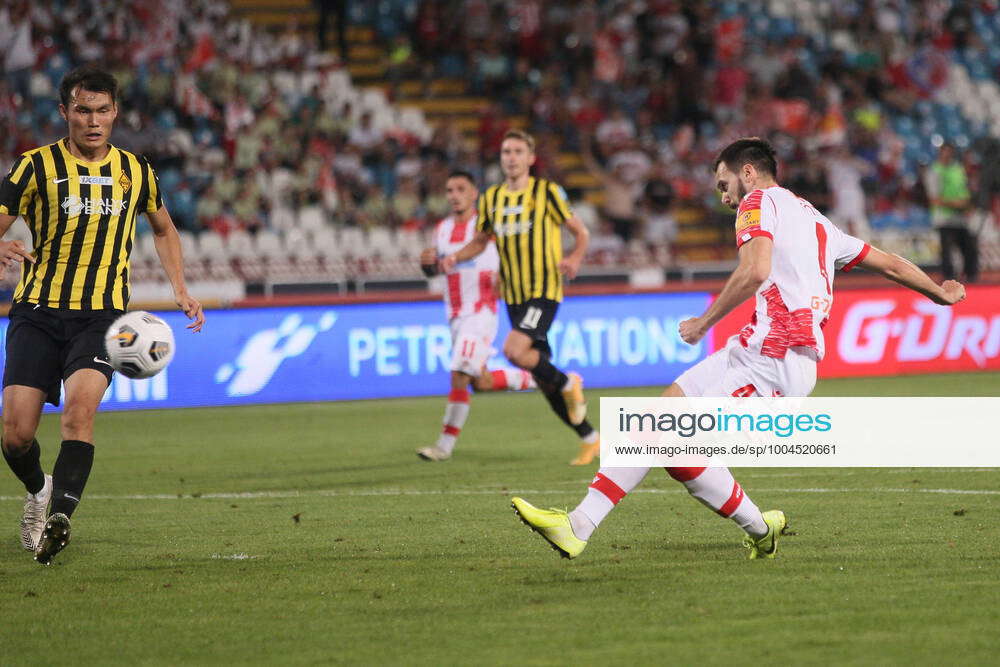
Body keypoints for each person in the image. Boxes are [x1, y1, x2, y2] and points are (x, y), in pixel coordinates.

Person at [512, 137, 966, 560]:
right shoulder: (816, 219)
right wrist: (938, 293)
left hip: (778, 358)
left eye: (724, 184)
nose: (724, 197)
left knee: (671, 442)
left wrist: (703, 322)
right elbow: (889, 263)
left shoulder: (756, 202)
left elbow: (755, 270)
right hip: (751, 348)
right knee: (657, 418)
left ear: (748, 172)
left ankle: (597, 525)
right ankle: (586, 525)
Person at [0, 66, 205, 565]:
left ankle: (60, 518)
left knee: (79, 414)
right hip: (37, 311)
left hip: (102, 316)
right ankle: (39, 490)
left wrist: (180, 288)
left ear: (115, 113)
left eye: (102, 111)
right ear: (65, 112)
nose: (93, 121)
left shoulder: (136, 170)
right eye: (83, 110)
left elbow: (164, 229)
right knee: (15, 434)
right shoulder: (34, 166)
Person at [441, 130, 599, 466]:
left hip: (543, 290)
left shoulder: (547, 192)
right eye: (506, 152)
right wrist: (455, 256)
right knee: (541, 378)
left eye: (517, 152)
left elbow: (580, 232)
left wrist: (574, 258)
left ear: (530, 158)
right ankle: (591, 438)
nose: (511, 158)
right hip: (513, 297)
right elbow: (481, 241)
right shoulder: (491, 199)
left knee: (514, 350)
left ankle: (568, 381)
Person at [416, 170, 536, 462]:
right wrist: (427, 265)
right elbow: (438, 269)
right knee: (479, 382)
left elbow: (509, 257)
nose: (454, 195)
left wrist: (505, 280)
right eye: (449, 190)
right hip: (455, 314)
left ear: (474, 194)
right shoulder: (442, 229)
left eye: (461, 189)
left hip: (481, 312)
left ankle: (443, 447)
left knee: (459, 373)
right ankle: (541, 377)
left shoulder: (487, 226)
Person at [925, 142, 977, 283]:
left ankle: (971, 276)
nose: (947, 155)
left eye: (950, 152)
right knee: (947, 251)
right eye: (945, 152)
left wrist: (967, 205)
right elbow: (933, 198)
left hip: (960, 217)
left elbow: (964, 190)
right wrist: (956, 204)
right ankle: (948, 278)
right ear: (940, 153)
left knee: (968, 247)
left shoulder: (957, 169)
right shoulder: (934, 170)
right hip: (944, 217)